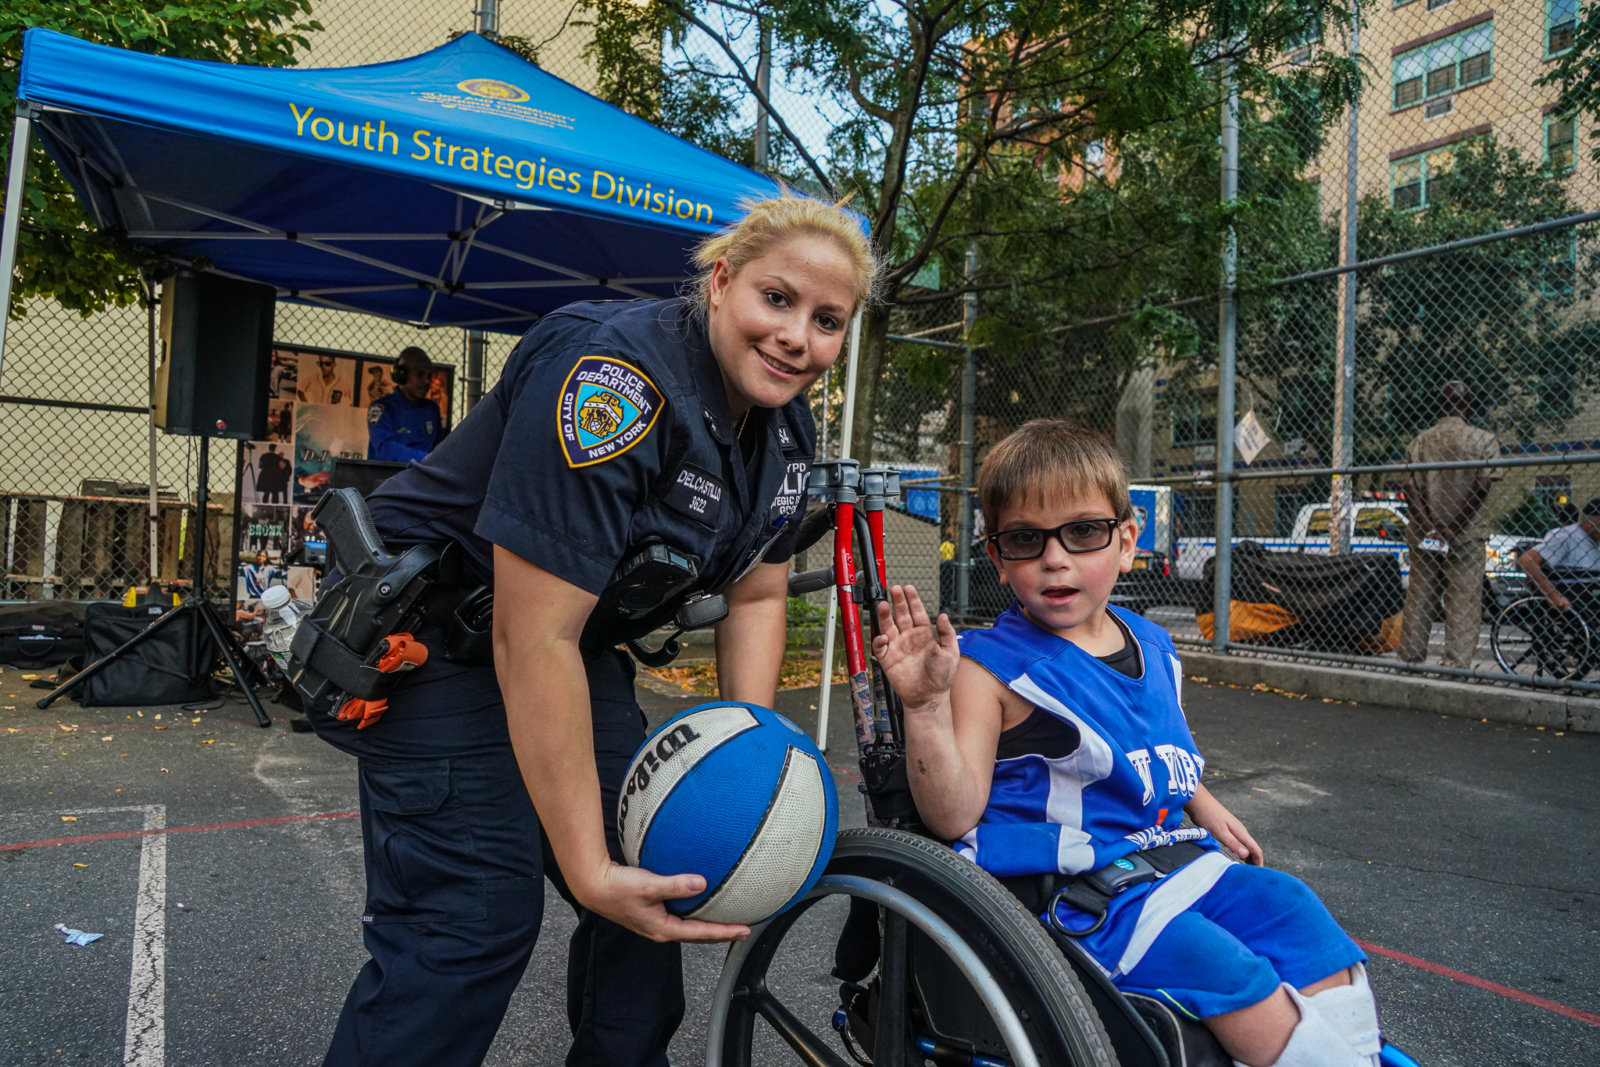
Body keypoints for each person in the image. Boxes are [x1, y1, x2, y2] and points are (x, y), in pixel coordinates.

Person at [301, 190, 878, 1067]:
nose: (799, 335)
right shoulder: (614, 373)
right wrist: (588, 868)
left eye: (828, 319)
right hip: (440, 643)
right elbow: (531, 639)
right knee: (472, 926)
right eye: (778, 298)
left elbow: (758, 597)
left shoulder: (787, 434)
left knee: (661, 887)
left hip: (570, 649)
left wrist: (742, 761)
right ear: (721, 282)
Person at [873, 421, 1382, 1067]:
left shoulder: (1151, 642)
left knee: (1292, 905)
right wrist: (923, 706)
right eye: (1026, 540)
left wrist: (1200, 797)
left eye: (1083, 531)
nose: (1055, 557)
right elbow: (952, 815)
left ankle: (1351, 1054)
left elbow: (1143, 743)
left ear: (1126, 540)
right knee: (1220, 965)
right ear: (997, 558)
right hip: (1079, 892)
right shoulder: (988, 669)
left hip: (1165, 857)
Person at [1397, 381, 1502, 669]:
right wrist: (1453, 526)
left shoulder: (1420, 441)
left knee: (1420, 596)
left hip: (1425, 535)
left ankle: (1410, 658)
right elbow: (1482, 486)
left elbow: (1410, 489)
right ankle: (1455, 663)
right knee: (1464, 600)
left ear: (1439, 407)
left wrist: (1431, 526)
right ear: (1467, 405)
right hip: (1466, 536)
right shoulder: (1484, 440)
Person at [1518, 497, 1600, 611]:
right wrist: (1552, 596)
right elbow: (1527, 560)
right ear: (1591, 524)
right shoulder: (1567, 536)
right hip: (1576, 596)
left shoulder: (1595, 541)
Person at [366, 346, 445, 462]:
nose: (426, 381)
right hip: (390, 477)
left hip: (424, 476)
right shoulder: (381, 408)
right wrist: (427, 460)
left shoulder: (432, 409)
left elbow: (440, 448)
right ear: (401, 375)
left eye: (429, 376)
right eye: (420, 375)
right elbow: (385, 449)